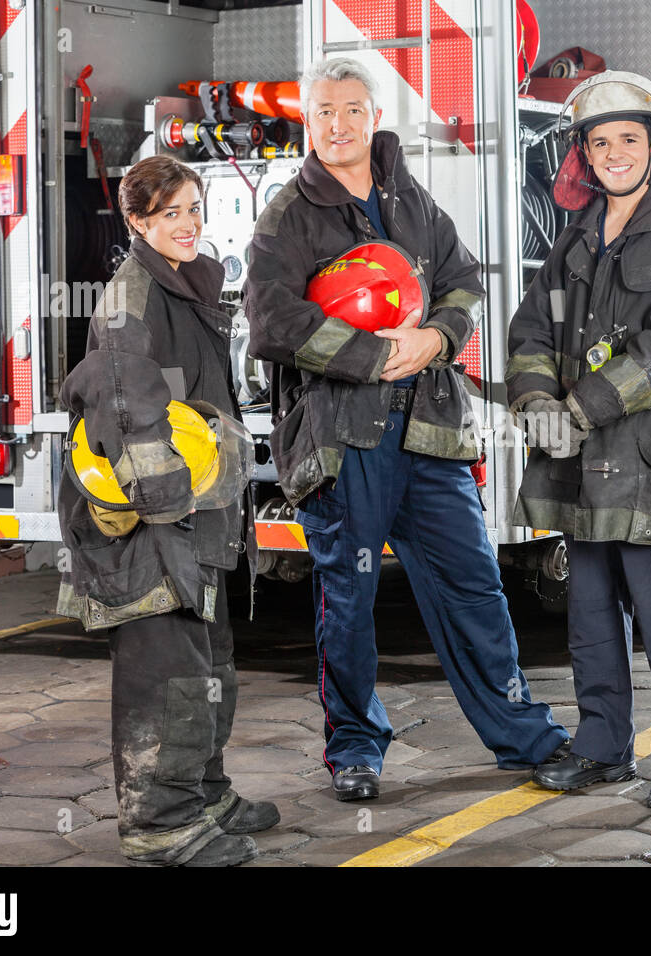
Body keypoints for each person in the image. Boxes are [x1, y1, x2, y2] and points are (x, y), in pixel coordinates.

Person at [244, 58, 568, 802]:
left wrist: (441, 339)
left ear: (374, 116)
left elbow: (464, 280)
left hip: (430, 433)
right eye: (323, 111)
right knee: (348, 600)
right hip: (342, 437)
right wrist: (374, 355)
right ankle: (356, 746)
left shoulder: (410, 197)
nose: (337, 125)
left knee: (475, 587)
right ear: (307, 119)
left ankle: (526, 736)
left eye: (351, 110)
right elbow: (272, 322)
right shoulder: (289, 214)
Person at [507, 71, 651, 809]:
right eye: (599, 142)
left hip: (648, 462)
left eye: (628, 139)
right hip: (578, 472)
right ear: (583, 155)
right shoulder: (574, 236)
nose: (614, 153)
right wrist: (536, 395)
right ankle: (602, 746)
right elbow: (532, 326)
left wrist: (578, 410)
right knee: (591, 617)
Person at [56, 155, 279, 866]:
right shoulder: (130, 299)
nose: (187, 225)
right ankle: (162, 827)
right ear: (136, 222)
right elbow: (124, 407)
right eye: (168, 214)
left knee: (209, 663)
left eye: (193, 209)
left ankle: (205, 794)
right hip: (155, 525)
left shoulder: (184, 284)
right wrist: (165, 505)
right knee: (166, 673)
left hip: (194, 516)